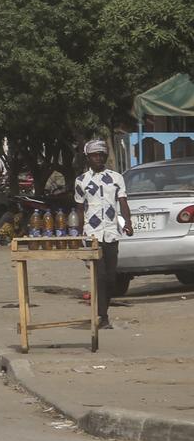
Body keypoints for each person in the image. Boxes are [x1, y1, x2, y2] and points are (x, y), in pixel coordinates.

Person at [73, 139, 133, 330]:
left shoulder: (116, 178)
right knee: (99, 276)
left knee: (111, 278)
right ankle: (102, 316)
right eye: (94, 155)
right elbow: (80, 209)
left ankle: (102, 311)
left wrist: (128, 223)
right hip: (93, 235)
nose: (98, 158)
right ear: (88, 158)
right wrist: (79, 233)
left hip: (112, 233)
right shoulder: (81, 181)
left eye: (101, 155)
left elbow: (123, 202)